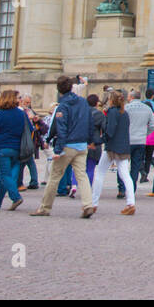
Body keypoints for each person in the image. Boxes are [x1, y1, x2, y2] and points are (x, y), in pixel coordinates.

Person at [30, 76, 96, 218]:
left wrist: (57, 149)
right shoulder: (83, 103)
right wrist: (90, 140)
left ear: (59, 90)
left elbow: (61, 128)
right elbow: (90, 123)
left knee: (54, 177)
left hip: (68, 146)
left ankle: (45, 208)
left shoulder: (63, 106)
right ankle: (88, 204)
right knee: (82, 176)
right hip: (82, 145)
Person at [91, 90, 135, 214]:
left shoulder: (112, 112)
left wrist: (98, 141)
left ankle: (94, 202)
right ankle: (131, 203)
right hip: (124, 147)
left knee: (100, 173)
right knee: (125, 175)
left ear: (111, 100)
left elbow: (110, 131)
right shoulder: (124, 113)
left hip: (112, 147)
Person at [124, 89, 154, 190]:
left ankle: (122, 188)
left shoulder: (126, 108)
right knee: (135, 165)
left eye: (128, 96)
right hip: (140, 140)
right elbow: (153, 125)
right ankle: (132, 188)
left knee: (123, 165)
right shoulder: (147, 108)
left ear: (132, 97)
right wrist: (144, 133)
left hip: (127, 140)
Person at [140, 88, 154, 184]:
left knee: (140, 157)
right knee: (148, 158)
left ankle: (142, 171)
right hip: (152, 140)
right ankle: (146, 174)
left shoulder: (141, 106)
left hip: (142, 139)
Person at [18, 95, 40, 189]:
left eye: (29, 102)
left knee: (25, 161)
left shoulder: (27, 111)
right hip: (26, 138)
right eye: (26, 102)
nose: (27, 104)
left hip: (28, 139)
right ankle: (32, 181)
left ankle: (22, 182)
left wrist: (35, 119)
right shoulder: (21, 111)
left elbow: (32, 127)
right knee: (27, 161)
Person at [85, 94, 106, 190]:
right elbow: (104, 129)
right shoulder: (100, 114)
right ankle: (88, 188)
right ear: (97, 103)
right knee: (90, 168)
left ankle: (74, 185)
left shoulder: (82, 113)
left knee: (77, 167)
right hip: (94, 143)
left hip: (82, 142)